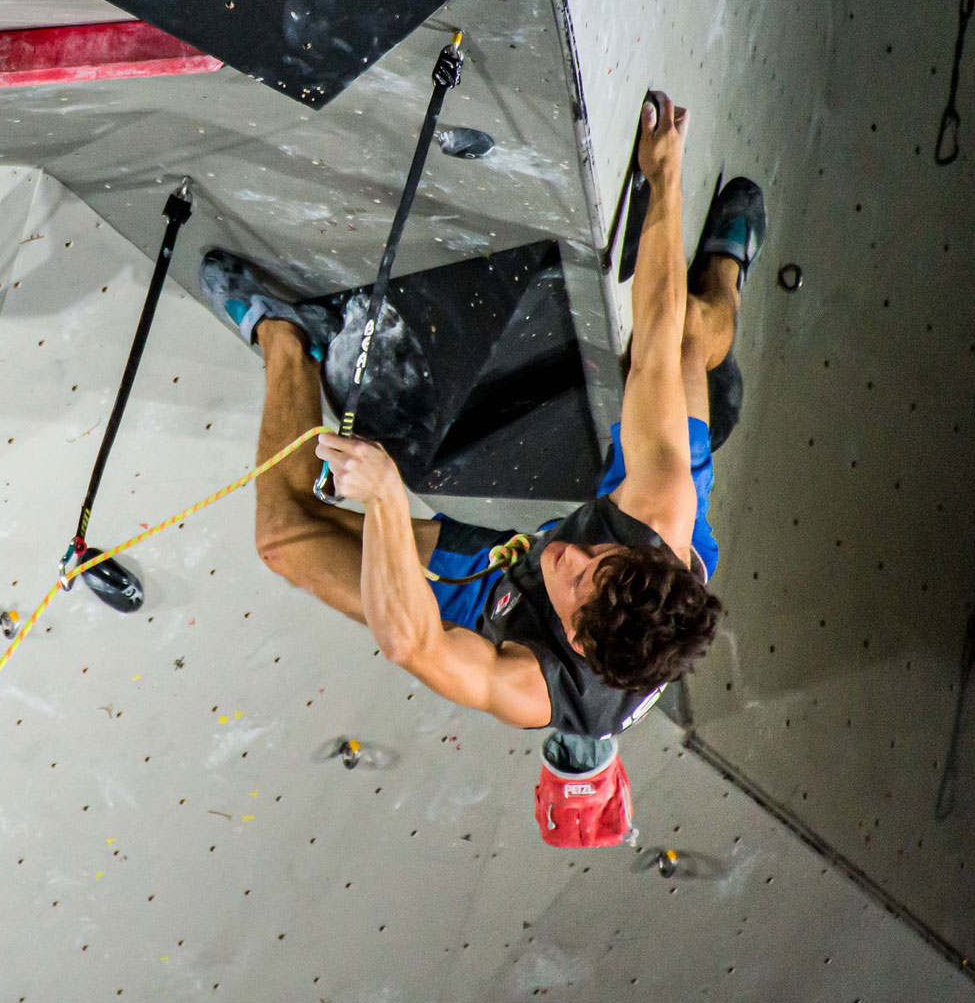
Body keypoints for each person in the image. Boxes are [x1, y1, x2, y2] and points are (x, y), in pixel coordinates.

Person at [199, 92, 763, 736]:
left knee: (283, 542)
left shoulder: (535, 686)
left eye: (577, 582)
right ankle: (726, 276)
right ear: (637, 553)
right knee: (684, 335)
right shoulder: (658, 516)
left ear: (576, 644)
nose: (568, 555)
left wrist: (387, 500)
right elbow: (657, 335)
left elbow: (413, 644)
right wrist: (665, 178)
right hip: (628, 532)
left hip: (499, 608)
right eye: (598, 557)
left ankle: (285, 341)